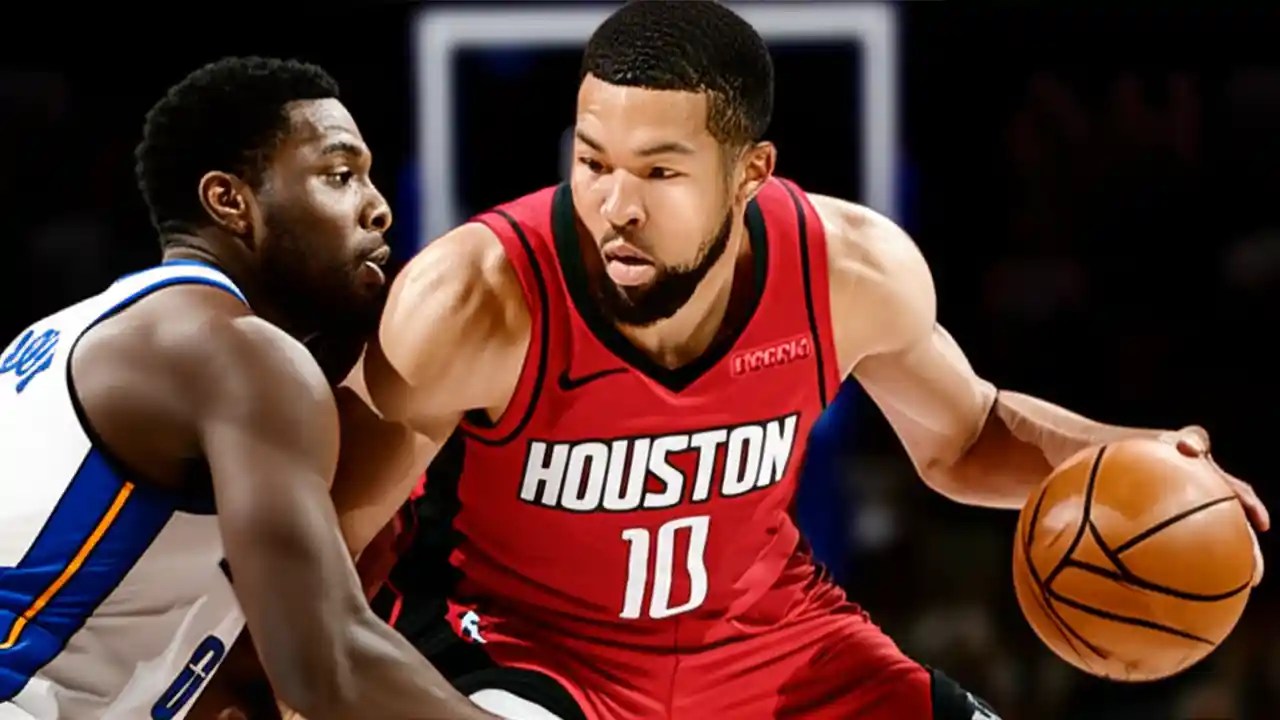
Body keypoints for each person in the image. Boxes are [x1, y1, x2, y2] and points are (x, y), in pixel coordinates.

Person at [335, 2, 1270, 718]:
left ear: (750, 174)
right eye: (591, 160)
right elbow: (319, 540)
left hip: (774, 644)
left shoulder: (847, 270)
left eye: (659, 172)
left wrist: (1131, 458)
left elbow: (967, 435)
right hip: (525, 655)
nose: (614, 203)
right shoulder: (472, 298)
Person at [0, 56, 494, 720]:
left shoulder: (72, 331)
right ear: (230, 201)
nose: (377, 208)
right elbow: (327, 669)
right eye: (339, 176)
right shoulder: (240, 355)